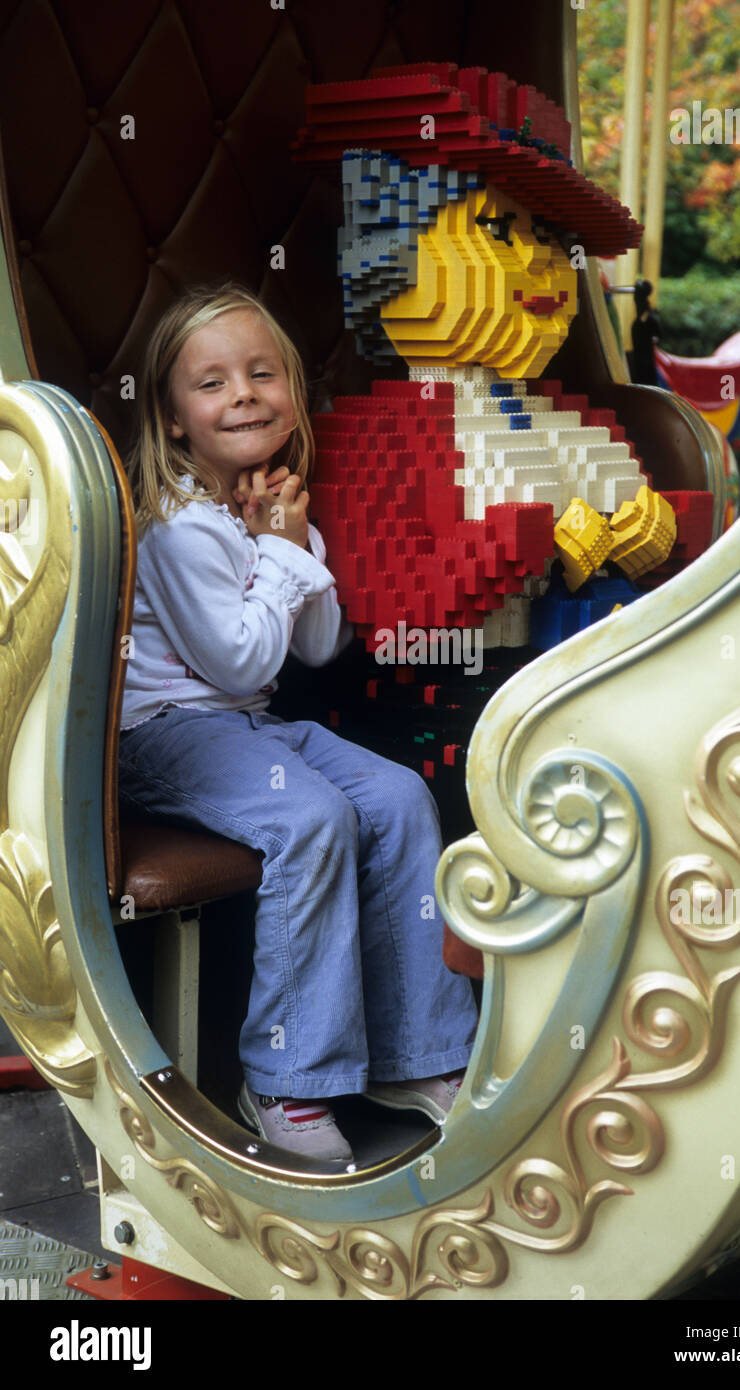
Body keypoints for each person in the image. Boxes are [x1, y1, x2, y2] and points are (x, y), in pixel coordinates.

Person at [118, 282, 478, 1170]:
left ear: (289, 395)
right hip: (162, 734)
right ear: (170, 419)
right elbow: (237, 662)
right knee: (307, 818)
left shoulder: (269, 514)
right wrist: (279, 553)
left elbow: (315, 647)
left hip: (246, 729)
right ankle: (287, 1079)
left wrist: (294, 541)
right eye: (210, 383)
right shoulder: (177, 528)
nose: (241, 393)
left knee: (396, 797)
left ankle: (417, 1056)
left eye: (260, 373)